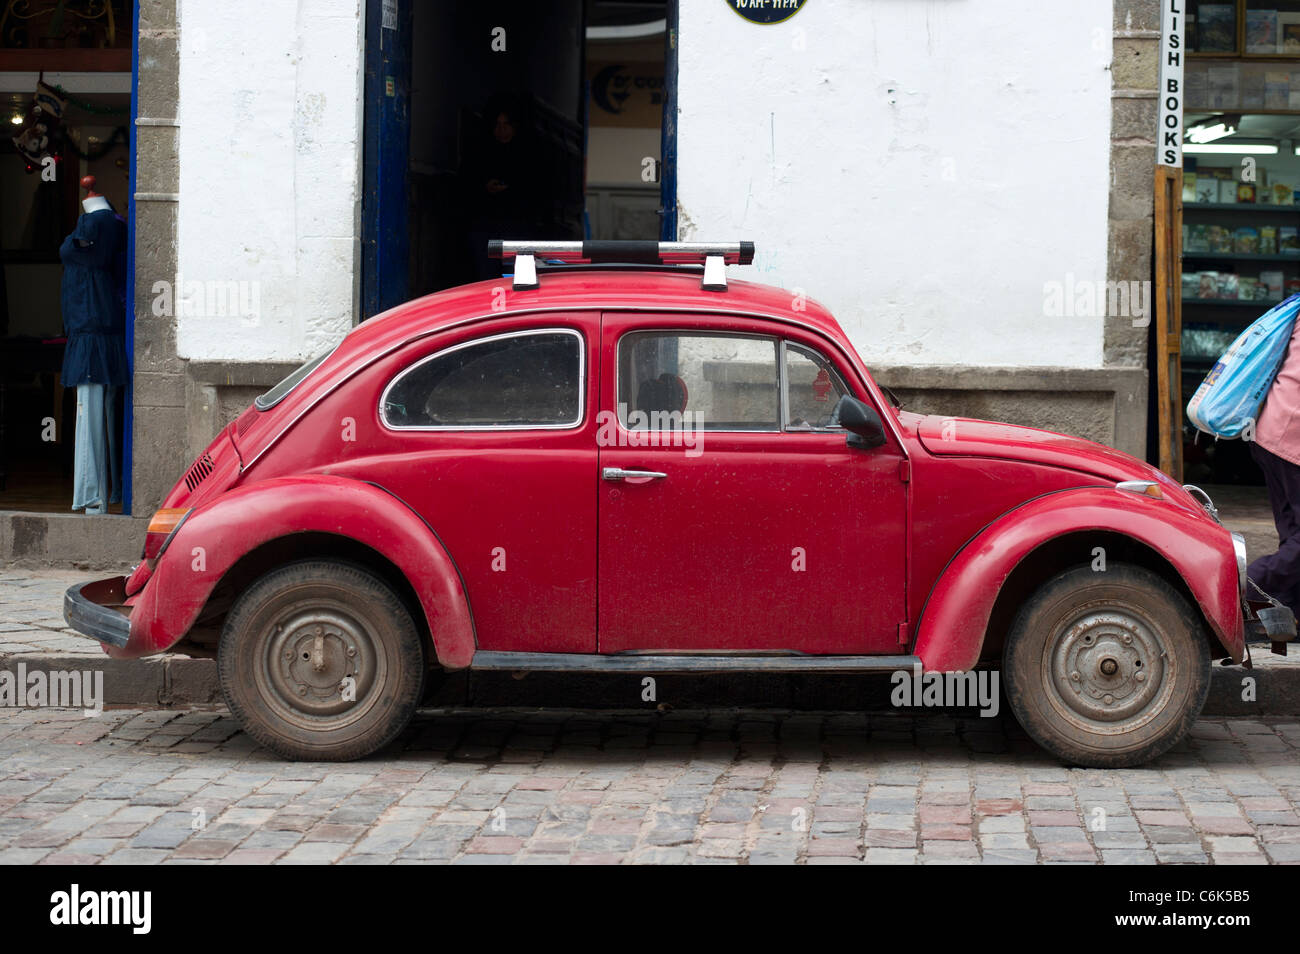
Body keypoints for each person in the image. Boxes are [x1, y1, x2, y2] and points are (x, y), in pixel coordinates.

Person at [60, 190, 128, 514]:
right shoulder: (113, 223)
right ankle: (98, 496)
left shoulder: (93, 224)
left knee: (90, 416)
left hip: (92, 329)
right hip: (99, 329)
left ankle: (92, 498)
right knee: (104, 415)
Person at [1248, 316, 1300, 613]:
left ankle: (1289, 613)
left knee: (1294, 536)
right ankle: (1248, 584)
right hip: (1292, 437)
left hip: (1272, 431)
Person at [462, 105, 539, 280]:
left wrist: (512, 190)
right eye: (497, 125)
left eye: (507, 124)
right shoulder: (480, 154)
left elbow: (534, 189)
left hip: (517, 226)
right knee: (486, 277)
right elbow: (467, 184)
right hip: (485, 228)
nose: (501, 130)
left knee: (516, 279)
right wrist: (485, 187)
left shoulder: (527, 155)